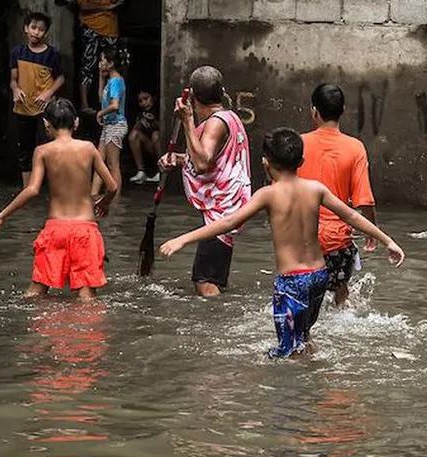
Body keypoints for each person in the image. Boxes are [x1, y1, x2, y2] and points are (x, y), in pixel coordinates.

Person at [160, 127, 404, 357]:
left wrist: (182, 239)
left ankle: (298, 394)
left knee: (286, 352)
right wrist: (388, 241)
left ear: (265, 162)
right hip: (319, 277)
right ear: (301, 162)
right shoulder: (316, 189)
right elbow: (351, 215)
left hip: (292, 283)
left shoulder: (268, 194)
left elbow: (228, 223)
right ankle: (315, 375)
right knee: (304, 337)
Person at [0, 98, 117, 301]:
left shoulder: (43, 151)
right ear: (76, 123)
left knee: (35, 292)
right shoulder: (89, 149)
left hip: (55, 230)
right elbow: (112, 186)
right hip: (84, 229)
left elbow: (32, 190)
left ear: (46, 123)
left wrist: (1, 216)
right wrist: (105, 202)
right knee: (87, 297)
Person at [158, 66, 252, 297]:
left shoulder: (216, 123)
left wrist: (188, 121)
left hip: (222, 212)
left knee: (204, 281)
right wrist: (178, 159)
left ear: (192, 97)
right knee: (215, 278)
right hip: (228, 206)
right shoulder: (229, 117)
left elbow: (203, 163)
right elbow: (211, 160)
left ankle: (219, 326)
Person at [298, 84, 378, 308]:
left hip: (302, 237)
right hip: (336, 240)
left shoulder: (299, 144)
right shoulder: (355, 148)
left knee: (301, 297)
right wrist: (371, 230)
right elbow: (364, 199)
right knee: (341, 299)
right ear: (343, 109)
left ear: (313, 111)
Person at [10, 11, 65, 187]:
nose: (36, 32)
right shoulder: (17, 52)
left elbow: (61, 78)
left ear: (46, 33)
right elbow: (13, 80)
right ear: (26, 28)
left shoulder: (52, 54)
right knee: (25, 149)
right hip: (23, 107)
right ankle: (27, 189)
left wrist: (47, 94)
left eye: (40, 30)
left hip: (44, 109)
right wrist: (16, 89)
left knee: (47, 147)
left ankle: (50, 187)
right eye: (33, 28)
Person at [75, 0, 123, 112]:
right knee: (88, 66)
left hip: (110, 30)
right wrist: (106, 7)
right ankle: (85, 105)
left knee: (109, 67)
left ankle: (110, 104)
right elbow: (83, 5)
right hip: (91, 27)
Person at [93, 48, 127, 197]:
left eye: (102, 60)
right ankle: (92, 195)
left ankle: (115, 199)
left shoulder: (116, 81)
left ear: (111, 63)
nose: (100, 63)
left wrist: (100, 113)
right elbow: (102, 99)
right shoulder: (110, 81)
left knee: (113, 165)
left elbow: (114, 105)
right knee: (99, 162)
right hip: (108, 126)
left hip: (116, 125)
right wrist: (101, 78)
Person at [128, 90, 161, 184]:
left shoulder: (160, 108)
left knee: (156, 135)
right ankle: (141, 171)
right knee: (134, 134)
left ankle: (161, 171)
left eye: (146, 99)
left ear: (153, 98)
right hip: (148, 146)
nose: (144, 103)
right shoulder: (140, 113)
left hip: (162, 147)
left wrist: (154, 121)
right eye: (140, 101)